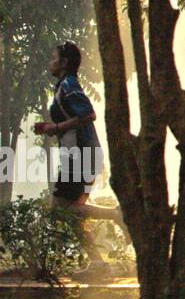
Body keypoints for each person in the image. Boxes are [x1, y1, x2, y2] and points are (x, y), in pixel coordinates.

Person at [33, 41, 125, 273]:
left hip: (81, 155)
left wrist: (55, 127)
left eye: (54, 58)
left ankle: (116, 214)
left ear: (64, 63)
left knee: (60, 208)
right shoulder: (63, 86)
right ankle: (97, 263)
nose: (50, 62)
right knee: (74, 212)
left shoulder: (69, 85)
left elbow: (88, 114)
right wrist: (52, 127)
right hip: (81, 154)